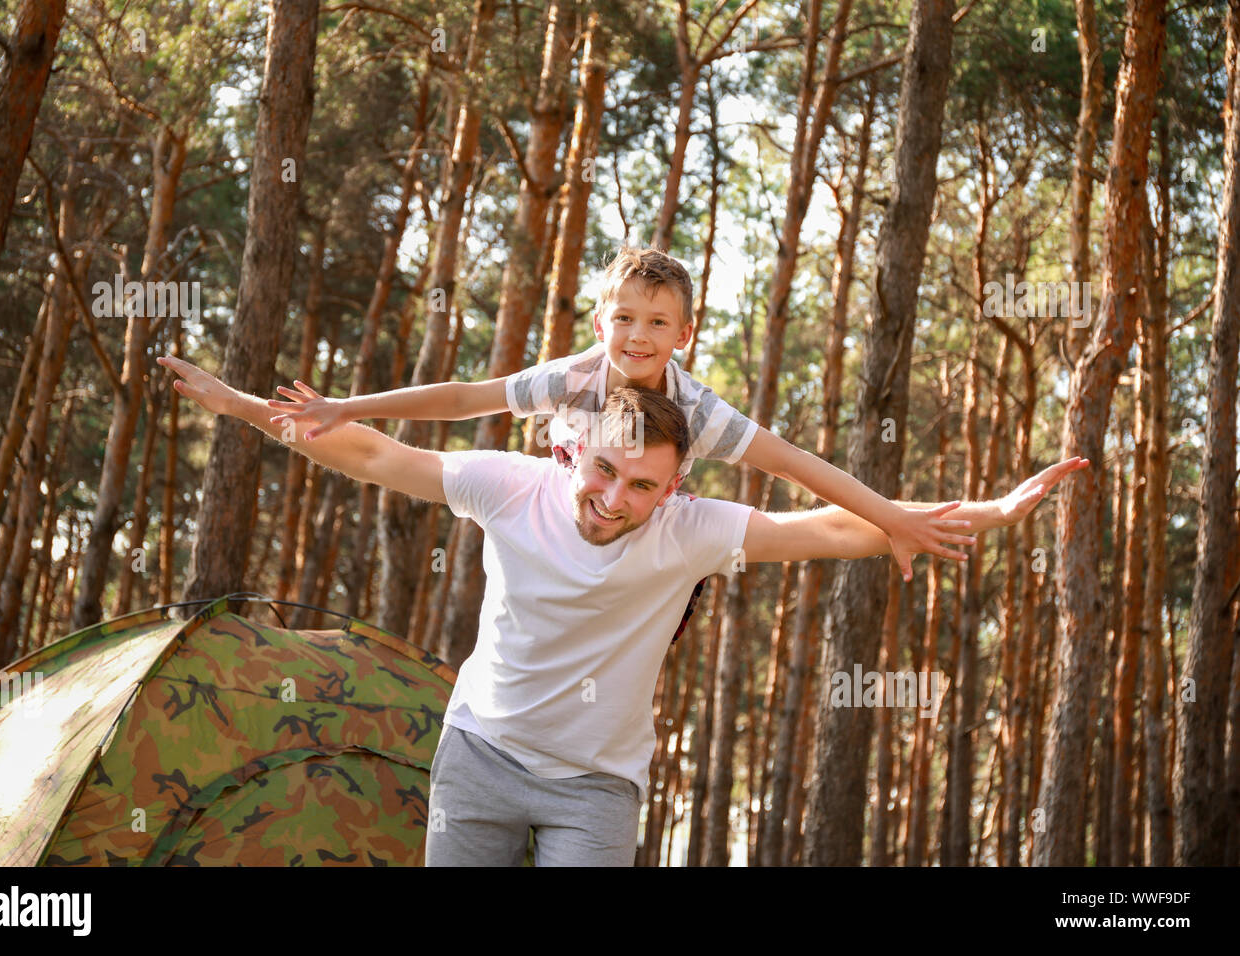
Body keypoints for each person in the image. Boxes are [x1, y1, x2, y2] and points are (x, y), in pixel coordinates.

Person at [158, 352, 1088, 866]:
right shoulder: (511, 487)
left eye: (643, 486)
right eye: (604, 471)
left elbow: (836, 529)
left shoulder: (688, 531)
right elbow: (371, 455)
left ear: (675, 486)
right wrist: (246, 409)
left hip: (595, 789)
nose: (614, 499)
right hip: (477, 755)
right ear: (573, 454)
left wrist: (990, 513)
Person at [261, 246, 970, 657]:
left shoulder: (697, 412)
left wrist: (892, 518)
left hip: (646, 527)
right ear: (600, 321)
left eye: (659, 323)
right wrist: (347, 407)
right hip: (567, 505)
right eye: (624, 318)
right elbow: (462, 399)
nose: (638, 336)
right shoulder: (571, 377)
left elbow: (792, 464)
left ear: (684, 335)